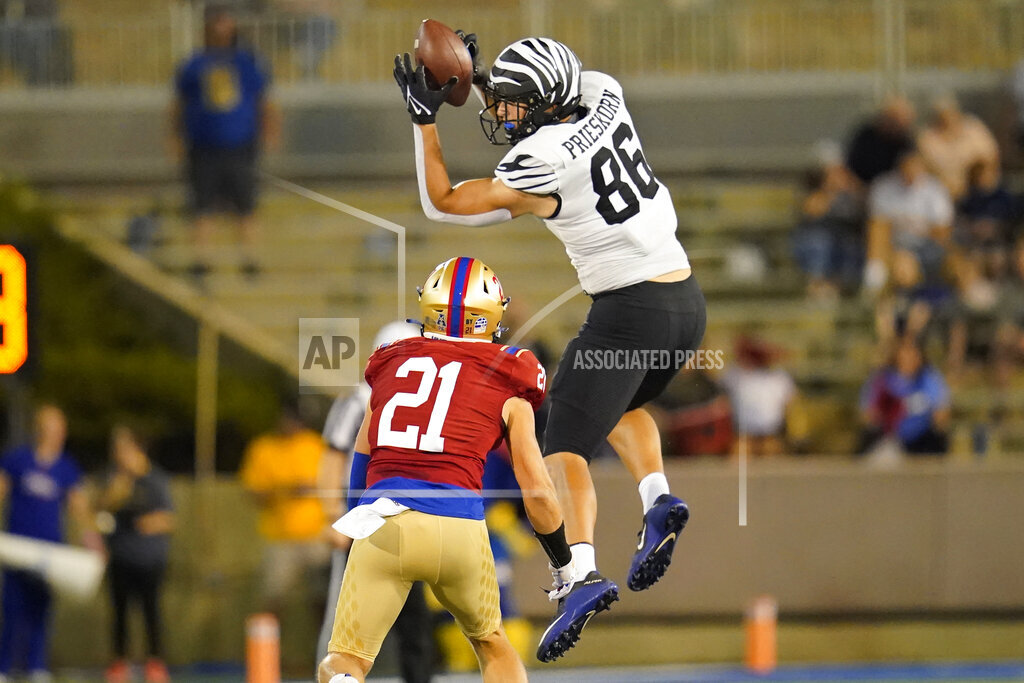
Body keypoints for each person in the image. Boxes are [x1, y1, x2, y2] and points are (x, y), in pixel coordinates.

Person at [391, 34, 705, 659]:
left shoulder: (543, 161)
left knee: (562, 438)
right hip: (685, 304)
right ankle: (656, 497)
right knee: (615, 408)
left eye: (512, 104)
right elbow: (556, 99)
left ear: (540, 105)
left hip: (629, 309)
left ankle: (580, 574)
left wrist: (424, 121)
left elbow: (444, 203)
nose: (501, 113)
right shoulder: (604, 93)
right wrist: (480, 77)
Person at [318, 257, 577, 683]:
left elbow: (362, 454)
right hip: (459, 528)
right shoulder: (510, 372)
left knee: (345, 659)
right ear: (492, 312)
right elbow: (538, 491)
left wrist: (356, 523)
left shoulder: (390, 362)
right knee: (493, 645)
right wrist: (564, 566)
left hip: (383, 522)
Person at [315, 321, 436, 683]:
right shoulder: (358, 400)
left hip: (402, 518)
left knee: (413, 615)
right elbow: (332, 460)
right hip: (361, 521)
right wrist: (332, 516)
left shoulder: (424, 400)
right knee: (344, 616)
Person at [168, 4, 281, 283]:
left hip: (240, 144)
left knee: (246, 205)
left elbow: (264, 101)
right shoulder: (194, 64)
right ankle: (202, 260)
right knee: (201, 206)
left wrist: (269, 132)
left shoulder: (247, 62)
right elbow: (178, 105)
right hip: (204, 146)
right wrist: (174, 136)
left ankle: (250, 259)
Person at [0, 404, 103, 683]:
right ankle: (5, 667)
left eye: (57, 429)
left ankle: (36, 667)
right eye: (48, 427)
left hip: (49, 552)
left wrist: (92, 539)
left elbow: (78, 507)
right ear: (38, 429)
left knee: (40, 610)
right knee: (12, 609)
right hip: (17, 550)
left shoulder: (66, 468)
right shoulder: (17, 460)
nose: (53, 434)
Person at [98, 425, 175, 683]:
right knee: (119, 613)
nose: (119, 455)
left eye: (123, 449)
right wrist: (118, 488)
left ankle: (155, 661)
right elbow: (101, 513)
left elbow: (169, 517)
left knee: (151, 612)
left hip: (149, 559)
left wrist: (152, 522)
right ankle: (119, 662)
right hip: (120, 556)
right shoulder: (115, 478)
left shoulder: (156, 479)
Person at [239, 406, 329, 624]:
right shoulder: (264, 448)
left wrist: (312, 488)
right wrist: (285, 490)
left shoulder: (316, 445)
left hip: (316, 534)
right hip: (279, 536)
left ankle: (326, 652)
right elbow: (253, 491)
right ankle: (266, 654)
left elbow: (334, 485)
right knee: (274, 598)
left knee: (322, 599)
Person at [863, 149, 954, 295]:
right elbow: (877, 225)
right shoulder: (883, 186)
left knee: (908, 263)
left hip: (925, 245)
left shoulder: (935, 189)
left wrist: (914, 229)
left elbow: (942, 230)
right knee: (879, 236)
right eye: (907, 167)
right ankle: (873, 282)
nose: (910, 172)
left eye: (915, 167)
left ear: (923, 168)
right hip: (891, 244)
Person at [858, 339, 951, 457]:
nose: (910, 359)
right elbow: (868, 413)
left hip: (921, 439)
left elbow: (942, 412)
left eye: (914, 354)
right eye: (905, 354)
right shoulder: (882, 379)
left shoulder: (929, 378)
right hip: (889, 437)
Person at [917, 94, 999, 201]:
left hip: (977, 188)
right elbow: (926, 167)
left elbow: (991, 158)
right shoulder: (927, 137)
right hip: (942, 192)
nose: (947, 119)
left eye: (950, 113)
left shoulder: (974, 129)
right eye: (942, 115)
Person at [845, 95, 917, 186]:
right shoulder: (865, 136)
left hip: (892, 189)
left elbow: (910, 166)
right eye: (896, 121)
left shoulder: (906, 141)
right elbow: (851, 167)